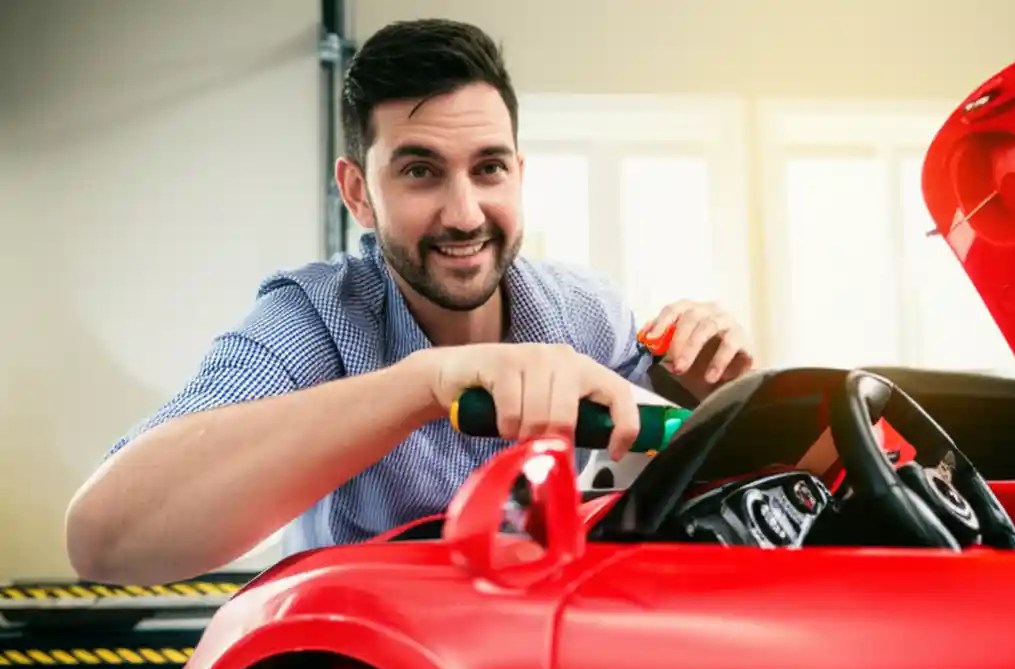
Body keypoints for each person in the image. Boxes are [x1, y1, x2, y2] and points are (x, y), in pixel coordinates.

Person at [64, 18, 754, 586]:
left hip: (523, 656)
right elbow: (106, 542)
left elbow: (708, 472)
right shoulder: (310, 319)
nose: (463, 214)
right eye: (420, 171)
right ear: (359, 192)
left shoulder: (585, 313)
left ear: (519, 174)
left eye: (488, 169)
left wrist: (723, 392)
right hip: (360, 667)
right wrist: (424, 385)